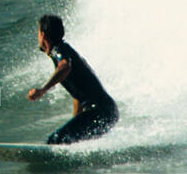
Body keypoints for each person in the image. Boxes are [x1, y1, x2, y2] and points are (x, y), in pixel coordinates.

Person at [27, 14, 119, 145]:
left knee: (55, 141)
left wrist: (43, 90)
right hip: (106, 113)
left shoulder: (59, 50)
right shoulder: (65, 50)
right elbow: (79, 94)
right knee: (67, 143)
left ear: (43, 35)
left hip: (100, 112)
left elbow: (65, 67)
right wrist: (76, 119)